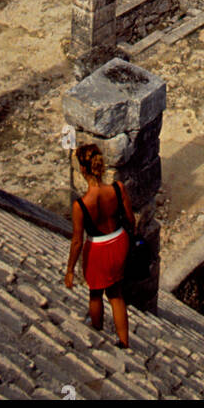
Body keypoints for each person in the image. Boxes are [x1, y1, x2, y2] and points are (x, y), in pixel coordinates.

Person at [64, 143, 135, 348]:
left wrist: (70, 270)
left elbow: (77, 241)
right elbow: (130, 219)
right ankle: (124, 341)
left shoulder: (80, 205)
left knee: (95, 293)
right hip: (119, 241)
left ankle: (96, 329)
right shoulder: (117, 188)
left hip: (97, 248)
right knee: (116, 294)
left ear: (83, 169)